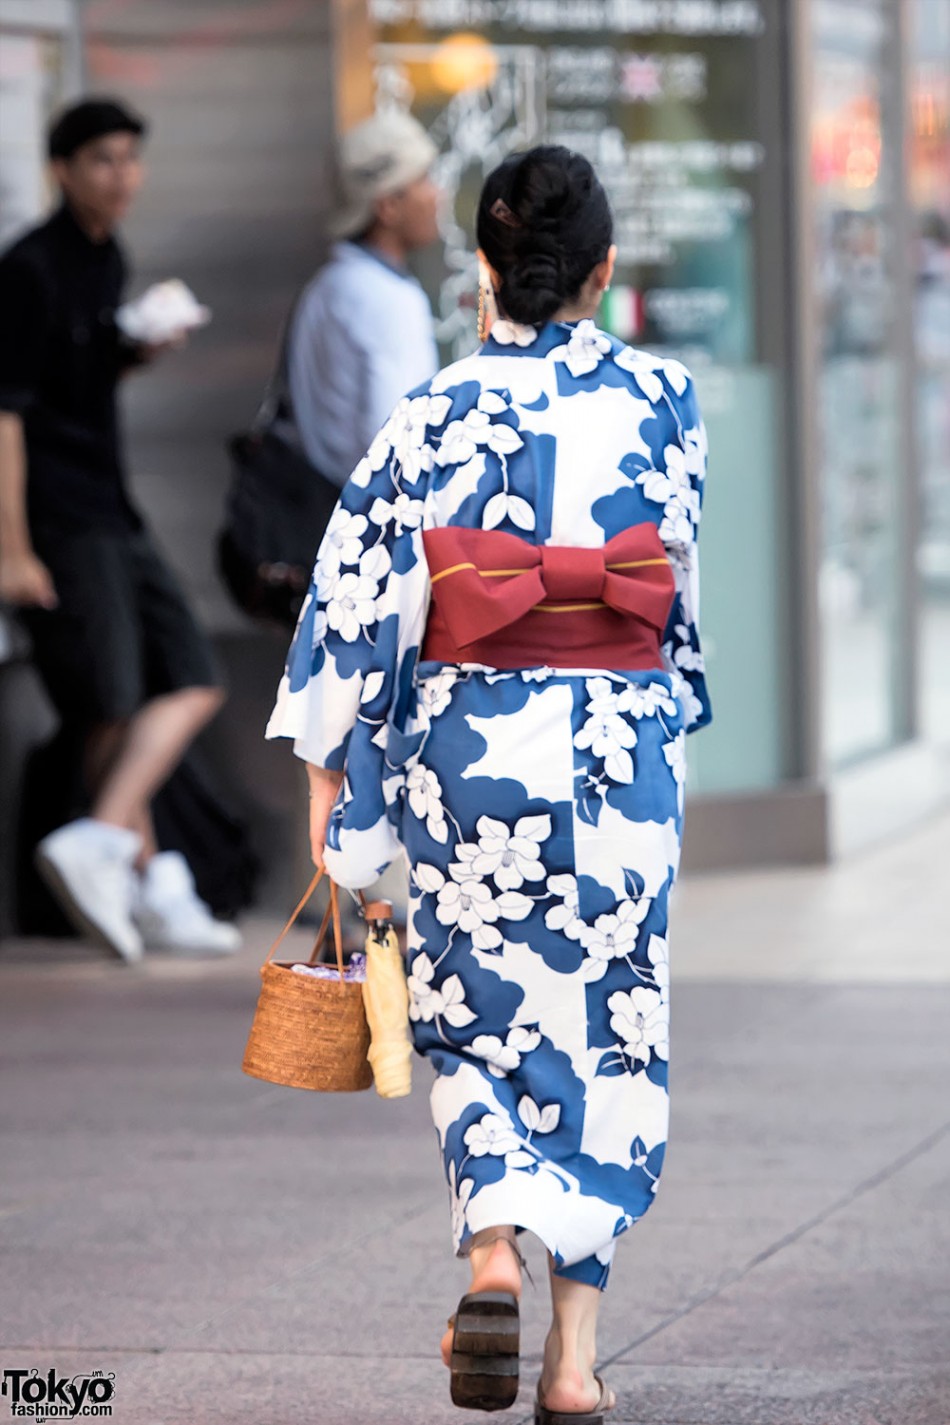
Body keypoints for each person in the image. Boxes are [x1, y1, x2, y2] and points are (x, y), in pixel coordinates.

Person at [266, 145, 711, 1421]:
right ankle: (572, 1364)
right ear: (604, 273)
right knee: (609, 1029)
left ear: (481, 272)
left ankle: (488, 1253)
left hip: (470, 765)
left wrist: (332, 782)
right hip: (617, 758)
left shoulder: (432, 412)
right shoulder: (668, 401)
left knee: (470, 1019)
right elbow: (674, 609)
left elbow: (353, 610)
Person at [0, 97, 239, 962]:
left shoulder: (108, 259)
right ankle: (143, 869)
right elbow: (7, 417)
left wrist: (134, 351)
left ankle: (115, 850)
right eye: (103, 159)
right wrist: (13, 547)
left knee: (188, 675)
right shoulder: (27, 271)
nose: (122, 176)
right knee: (112, 699)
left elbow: (77, 379)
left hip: (113, 506)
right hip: (63, 519)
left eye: (131, 159)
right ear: (61, 168)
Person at [286, 109, 441, 489]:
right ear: (387, 206)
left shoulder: (328, 284)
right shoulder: (386, 299)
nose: (438, 193)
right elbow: (397, 447)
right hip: (376, 530)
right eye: (423, 180)